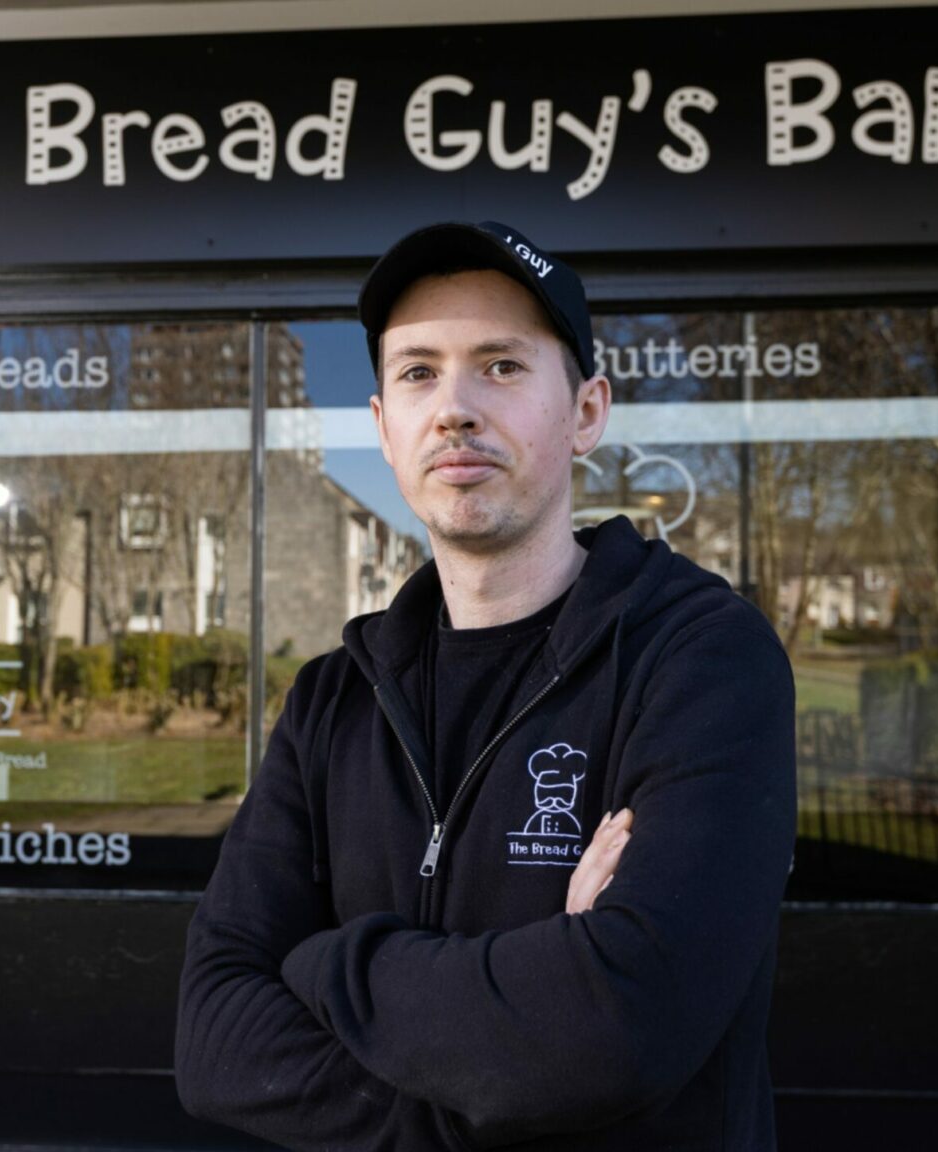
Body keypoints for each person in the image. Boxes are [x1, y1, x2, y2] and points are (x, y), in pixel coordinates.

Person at [174, 220, 796, 1150]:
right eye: (418, 372)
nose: (454, 407)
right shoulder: (332, 700)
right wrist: (520, 1038)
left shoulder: (700, 657)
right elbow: (216, 1042)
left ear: (586, 413)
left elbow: (617, 1030)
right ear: (384, 427)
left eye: (500, 366)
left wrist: (321, 966)